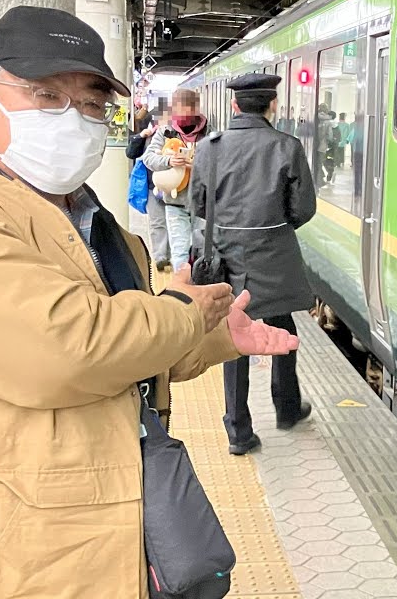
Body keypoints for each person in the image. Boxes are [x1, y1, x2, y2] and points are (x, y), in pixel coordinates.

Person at [0, 5, 300, 599]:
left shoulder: (91, 218)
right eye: (45, 95)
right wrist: (184, 313)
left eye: (92, 104)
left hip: (88, 538)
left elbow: (124, 359)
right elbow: (64, 351)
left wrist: (213, 339)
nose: (73, 119)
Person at [191, 73, 317, 455]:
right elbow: (304, 209)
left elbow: (197, 205)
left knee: (233, 337)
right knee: (283, 327)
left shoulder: (209, 147)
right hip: (273, 255)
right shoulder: (287, 147)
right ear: (272, 105)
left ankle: (238, 432)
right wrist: (272, 227)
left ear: (234, 106)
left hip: (225, 256)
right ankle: (287, 409)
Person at [143, 88, 209, 270]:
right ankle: (184, 292)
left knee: (202, 250)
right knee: (179, 251)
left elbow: (222, 163)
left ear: (196, 109)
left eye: (189, 110)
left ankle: (200, 285)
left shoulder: (210, 133)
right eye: (180, 111)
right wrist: (169, 160)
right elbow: (148, 159)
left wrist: (196, 166)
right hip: (174, 202)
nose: (184, 116)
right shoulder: (165, 132)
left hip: (203, 202)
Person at [127, 101, 172, 270]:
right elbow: (131, 153)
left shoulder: (175, 135)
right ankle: (161, 257)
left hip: (174, 186)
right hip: (153, 186)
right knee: (157, 222)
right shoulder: (148, 135)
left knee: (173, 221)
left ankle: (173, 255)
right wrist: (140, 137)